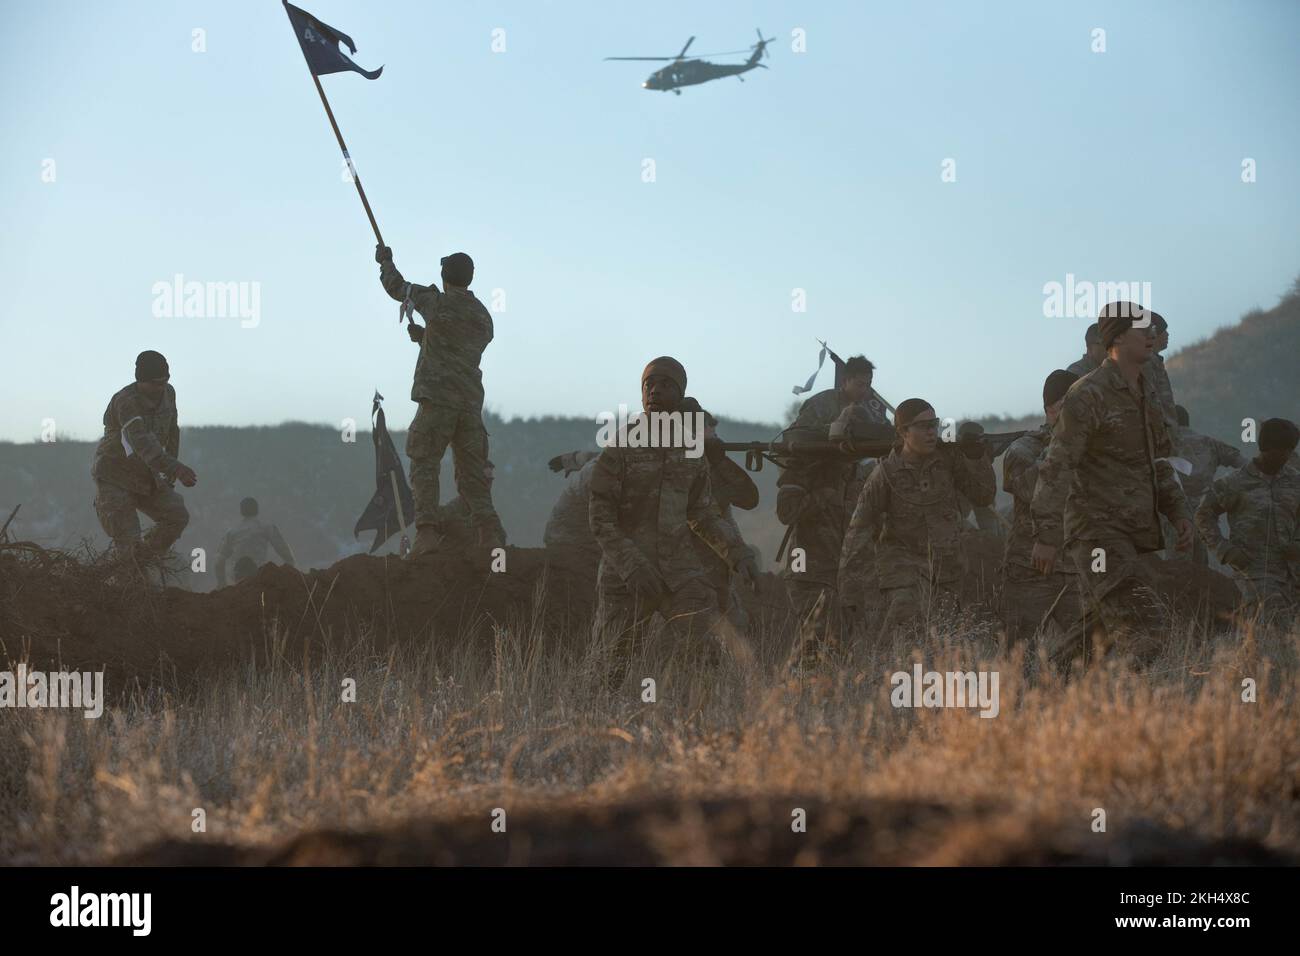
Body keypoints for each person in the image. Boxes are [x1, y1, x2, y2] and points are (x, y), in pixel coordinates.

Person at [1030, 302, 1194, 665]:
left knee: (1097, 633)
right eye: (1143, 330)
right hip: (1096, 534)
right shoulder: (1087, 394)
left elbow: (1159, 461)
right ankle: (1125, 716)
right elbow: (1057, 466)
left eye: (1153, 330)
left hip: (1133, 530)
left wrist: (1178, 510)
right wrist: (1045, 535)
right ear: (1117, 336)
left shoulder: (1146, 393)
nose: (1152, 336)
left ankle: (1046, 690)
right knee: (1146, 628)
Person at [588, 357, 758, 679]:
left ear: (679, 395)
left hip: (679, 573)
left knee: (707, 655)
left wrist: (737, 553)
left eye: (665, 385)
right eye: (649, 385)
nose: (655, 391)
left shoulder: (690, 450)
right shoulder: (621, 446)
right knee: (609, 670)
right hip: (627, 576)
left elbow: (703, 513)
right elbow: (600, 517)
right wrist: (631, 564)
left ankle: (696, 723)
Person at [375, 243, 505, 554]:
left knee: (424, 463)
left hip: (438, 402)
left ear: (444, 275)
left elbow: (396, 287)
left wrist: (386, 262)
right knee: (473, 475)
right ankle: (489, 534)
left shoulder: (435, 302)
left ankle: (428, 534)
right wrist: (426, 337)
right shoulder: (483, 317)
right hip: (470, 406)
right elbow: (460, 349)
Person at [840, 399, 996, 639]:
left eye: (933, 424)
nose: (931, 431)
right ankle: (885, 672)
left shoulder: (949, 461)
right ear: (903, 432)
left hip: (948, 570)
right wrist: (849, 588)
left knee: (945, 642)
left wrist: (976, 458)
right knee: (906, 630)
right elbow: (858, 530)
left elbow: (983, 495)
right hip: (903, 570)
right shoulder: (885, 474)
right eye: (923, 426)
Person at [777, 355, 887, 637]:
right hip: (812, 565)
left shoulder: (872, 412)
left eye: (868, 385)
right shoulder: (820, 405)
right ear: (846, 380)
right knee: (816, 637)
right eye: (859, 383)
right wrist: (823, 495)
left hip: (849, 567)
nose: (864, 390)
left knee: (847, 638)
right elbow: (798, 441)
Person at [1000, 370, 1081, 646]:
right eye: (1067, 407)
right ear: (1050, 410)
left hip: (1075, 568)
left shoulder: (1088, 448)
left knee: (1090, 652)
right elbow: (1029, 490)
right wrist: (1059, 450)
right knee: (1020, 654)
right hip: (1029, 567)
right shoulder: (1022, 449)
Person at [91, 350, 197, 561]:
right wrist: (176, 467)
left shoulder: (169, 393)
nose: (161, 388)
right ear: (141, 381)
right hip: (115, 477)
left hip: (146, 476)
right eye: (155, 384)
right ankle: (129, 577)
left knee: (176, 516)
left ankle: (144, 563)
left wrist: (170, 475)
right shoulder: (125, 402)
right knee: (129, 544)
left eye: (165, 381)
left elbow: (172, 431)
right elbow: (142, 443)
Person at [1194, 418, 1300, 615]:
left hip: (1293, 574)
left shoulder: (1295, 481)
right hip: (1254, 575)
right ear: (1267, 448)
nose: (1288, 456)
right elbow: (1202, 514)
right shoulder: (1235, 483)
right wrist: (1224, 550)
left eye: (1291, 450)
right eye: (1284, 450)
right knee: (1270, 627)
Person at [215, 497, 297, 587]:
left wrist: (221, 584)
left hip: (238, 578)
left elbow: (219, 561)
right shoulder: (266, 528)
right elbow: (282, 548)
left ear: (241, 511)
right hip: (259, 577)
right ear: (257, 510)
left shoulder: (232, 533)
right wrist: (290, 566)